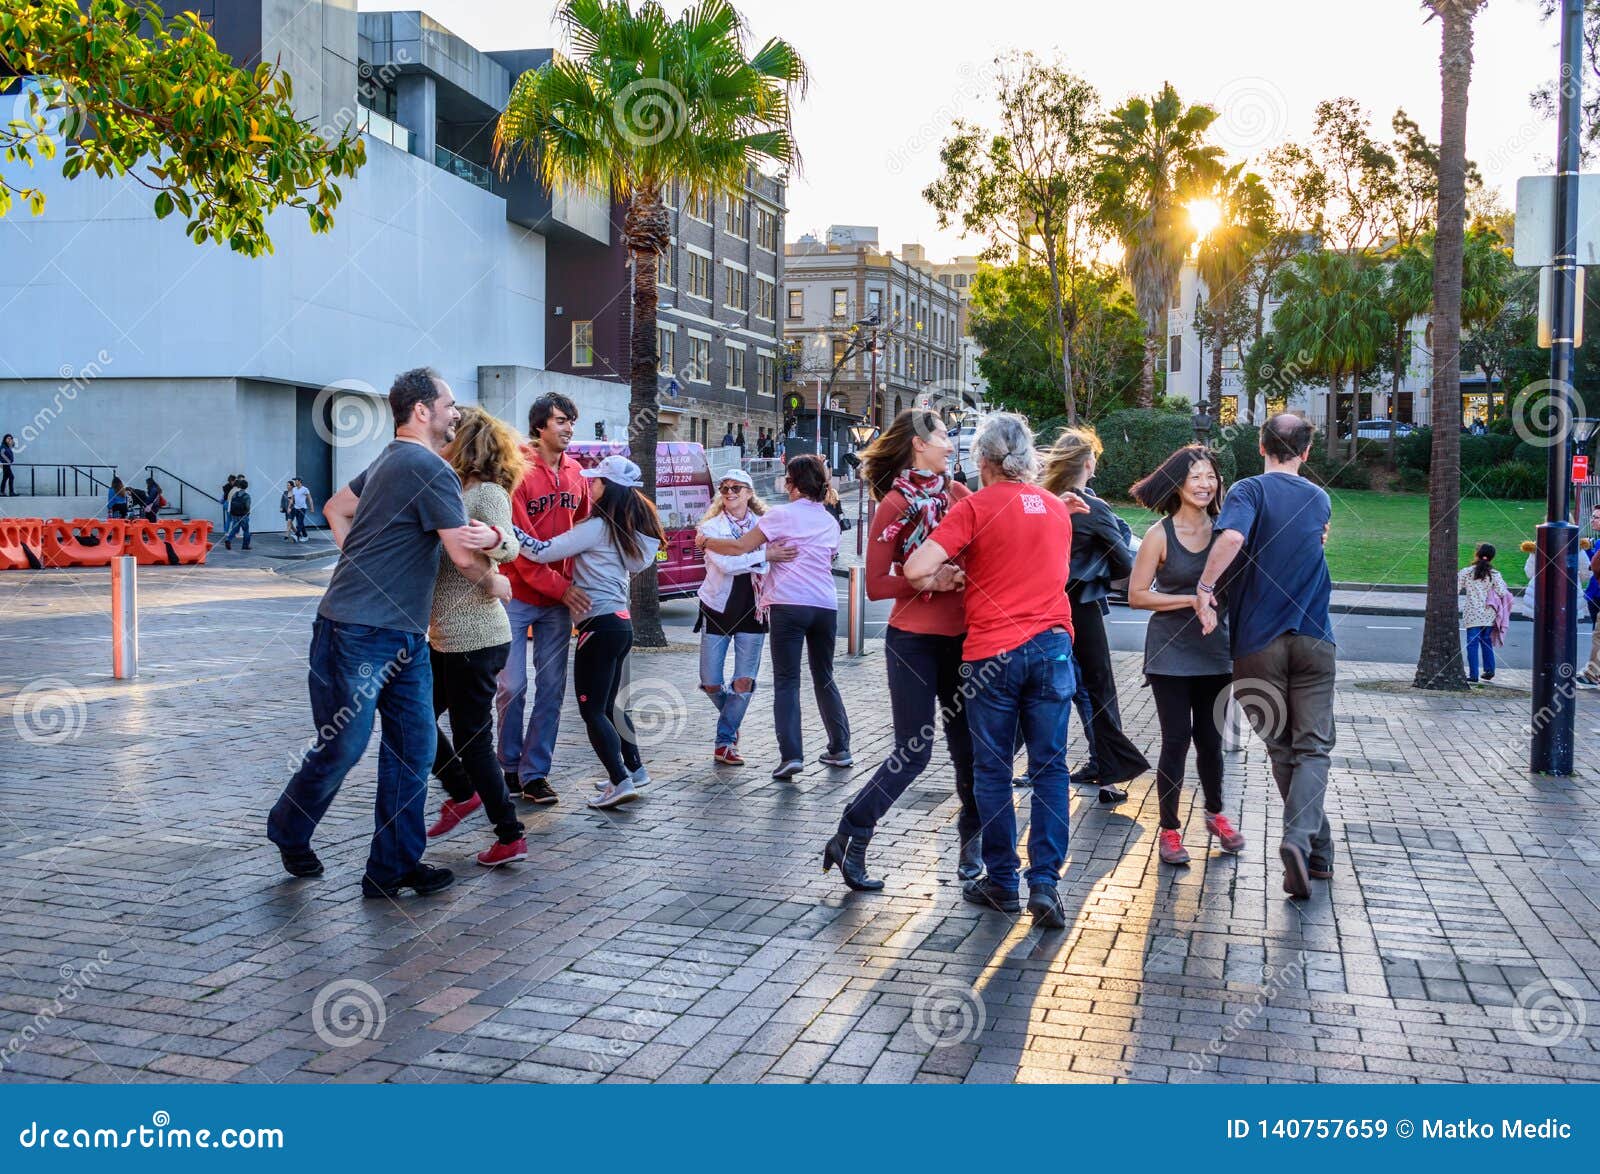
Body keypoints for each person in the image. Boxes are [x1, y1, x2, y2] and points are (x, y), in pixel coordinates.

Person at [267, 367, 504, 897]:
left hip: (404, 637)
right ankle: (288, 825)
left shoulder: (390, 459)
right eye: (448, 404)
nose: (456, 413)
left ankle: (391, 868)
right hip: (355, 633)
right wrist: (498, 581)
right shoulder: (428, 468)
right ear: (422, 411)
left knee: (414, 749)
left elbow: (335, 509)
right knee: (345, 746)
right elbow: (463, 558)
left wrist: (362, 560)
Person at [903, 413, 1089, 929]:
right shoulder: (1056, 508)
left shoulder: (976, 507)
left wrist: (948, 576)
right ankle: (1046, 882)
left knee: (992, 771)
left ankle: (1003, 880)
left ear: (982, 460)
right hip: (1052, 647)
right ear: (1028, 458)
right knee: (1051, 768)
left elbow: (916, 568)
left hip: (993, 655)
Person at [825, 409, 980, 892]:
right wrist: (929, 580)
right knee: (913, 753)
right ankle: (853, 831)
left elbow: (997, 527)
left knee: (970, 754)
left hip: (962, 641)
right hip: (912, 641)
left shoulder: (957, 494)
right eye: (942, 435)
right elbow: (873, 584)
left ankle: (971, 852)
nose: (950, 443)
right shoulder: (894, 503)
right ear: (918, 443)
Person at [1194, 413, 1336, 901]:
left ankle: (1306, 846)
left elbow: (1232, 537)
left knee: (1281, 748)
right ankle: (1311, 849)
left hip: (1257, 643)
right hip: (1316, 640)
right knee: (1313, 748)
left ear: (1261, 446)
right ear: (1307, 452)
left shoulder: (1248, 491)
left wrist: (1205, 586)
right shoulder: (1320, 498)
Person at [513, 454, 664, 810]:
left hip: (597, 626)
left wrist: (507, 529)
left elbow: (541, 551)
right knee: (611, 705)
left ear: (606, 488)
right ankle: (635, 770)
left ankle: (619, 779)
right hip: (620, 624)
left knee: (591, 710)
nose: (589, 485)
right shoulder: (630, 533)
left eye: (595, 480)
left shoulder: (597, 528)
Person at [1128, 445, 1246, 866]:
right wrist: (1191, 600)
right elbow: (1137, 596)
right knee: (1176, 740)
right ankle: (1171, 830)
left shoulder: (1227, 531)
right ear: (1178, 483)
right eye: (1195, 476)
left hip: (1216, 652)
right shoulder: (1160, 535)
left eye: (1210, 476)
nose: (1204, 484)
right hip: (1170, 654)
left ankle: (1216, 815)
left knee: (1211, 741)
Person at [424, 407, 528, 867]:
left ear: (464, 440)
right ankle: (462, 791)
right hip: (443, 636)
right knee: (413, 719)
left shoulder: (486, 491)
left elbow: (510, 543)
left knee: (472, 738)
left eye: (450, 431)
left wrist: (491, 539)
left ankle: (510, 834)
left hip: (477, 635)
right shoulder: (449, 486)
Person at [703, 454, 850, 779]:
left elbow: (741, 548)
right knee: (824, 676)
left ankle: (791, 756)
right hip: (825, 606)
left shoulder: (780, 515)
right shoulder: (829, 520)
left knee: (787, 681)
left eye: (786, 478)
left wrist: (705, 540)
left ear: (793, 483)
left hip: (789, 605)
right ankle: (840, 748)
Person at [1039, 428, 1149, 804]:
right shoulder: (1092, 507)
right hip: (1081, 607)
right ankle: (1108, 773)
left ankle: (1031, 768)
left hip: (1038, 606)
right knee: (1098, 688)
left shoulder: (1040, 500)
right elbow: (1125, 563)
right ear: (1089, 464)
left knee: (1040, 685)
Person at [497, 393, 590, 806]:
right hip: (517, 595)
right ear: (539, 426)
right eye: (560, 421)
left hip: (558, 602)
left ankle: (536, 774)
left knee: (551, 688)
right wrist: (562, 587)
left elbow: (585, 530)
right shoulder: (515, 472)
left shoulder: (577, 474)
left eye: (571, 421)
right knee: (511, 686)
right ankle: (507, 766)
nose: (568, 428)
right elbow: (518, 546)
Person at [695, 468, 791, 765]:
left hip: (755, 609)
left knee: (743, 681)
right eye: (724, 488)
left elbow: (767, 567)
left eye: (737, 487)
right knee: (710, 681)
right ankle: (731, 719)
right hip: (717, 607)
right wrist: (763, 555)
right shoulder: (710, 529)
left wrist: (760, 558)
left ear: (749, 493)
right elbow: (725, 565)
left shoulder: (766, 526)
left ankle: (725, 741)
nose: (729, 492)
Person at [1458, 543, 1509, 686]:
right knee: (1486, 642)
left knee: (1472, 644)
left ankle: (1473, 674)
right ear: (1492, 557)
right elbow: (1502, 592)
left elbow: (1455, 588)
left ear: (1477, 554)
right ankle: (1489, 669)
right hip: (1488, 614)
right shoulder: (1494, 574)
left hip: (1472, 613)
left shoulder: (1467, 572)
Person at [222, 477, 252, 550]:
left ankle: (228, 540)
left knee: (235, 529)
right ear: (246, 487)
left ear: (240, 486)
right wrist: (248, 513)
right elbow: (247, 507)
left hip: (235, 514)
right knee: (246, 530)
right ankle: (245, 545)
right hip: (243, 515)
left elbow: (231, 503)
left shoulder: (235, 494)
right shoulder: (247, 496)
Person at [290, 478, 314, 542]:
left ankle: (296, 535)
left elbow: (310, 499)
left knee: (300, 522)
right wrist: (289, 507)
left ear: (300, 481)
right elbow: (292, 499)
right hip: (296, 508)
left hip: (302, 508)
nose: (295, 482)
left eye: (296, 481)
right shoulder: (294, 489)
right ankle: (305, 536)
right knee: (301, 523)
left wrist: (312, 508)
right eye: (294, 481)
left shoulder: (305, 489)